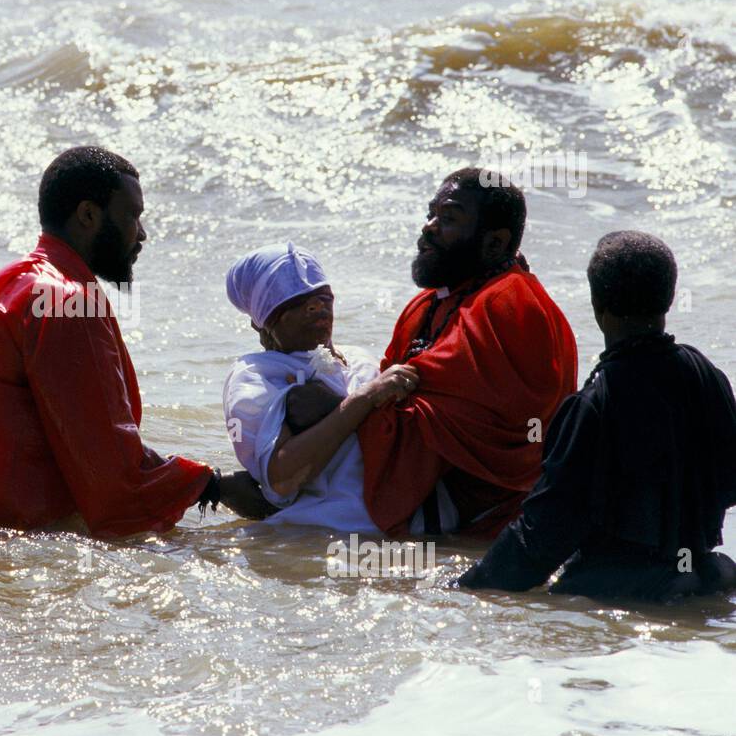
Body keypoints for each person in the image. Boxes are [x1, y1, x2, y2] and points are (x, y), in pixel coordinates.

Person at [0, 146, 270, 536]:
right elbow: (113, 489)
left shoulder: (20, 279)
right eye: (132, 215)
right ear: (88, 215)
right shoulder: (67, 302)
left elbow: (97, 441)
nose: (143, 234)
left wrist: (201, 482)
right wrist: (214, 488)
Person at [459, 231, 736, 601]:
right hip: (704, 577)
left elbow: (540, 540)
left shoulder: (593, 405)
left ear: (596, 305)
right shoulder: (708, 376)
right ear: (669, 298)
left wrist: (465, 589)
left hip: (620, 592)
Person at [354, 167, 579, 538]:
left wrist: (347, 405)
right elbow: (396, 389)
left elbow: (465, 415)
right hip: (407, 482)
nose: (428, 226)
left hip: (469, 510)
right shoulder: (427, 303)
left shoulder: (510, 303)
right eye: (431, 214)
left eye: (448, 218)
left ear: (494, 243)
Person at [222, 242, 419, 530]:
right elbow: (280, 478)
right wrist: (364, 399)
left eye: (323, 297)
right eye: (293, 302)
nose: (317, 308)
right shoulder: (256, 376)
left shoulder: (360, 361)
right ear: (261, 322)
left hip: (408, 517)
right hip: (330, 531)